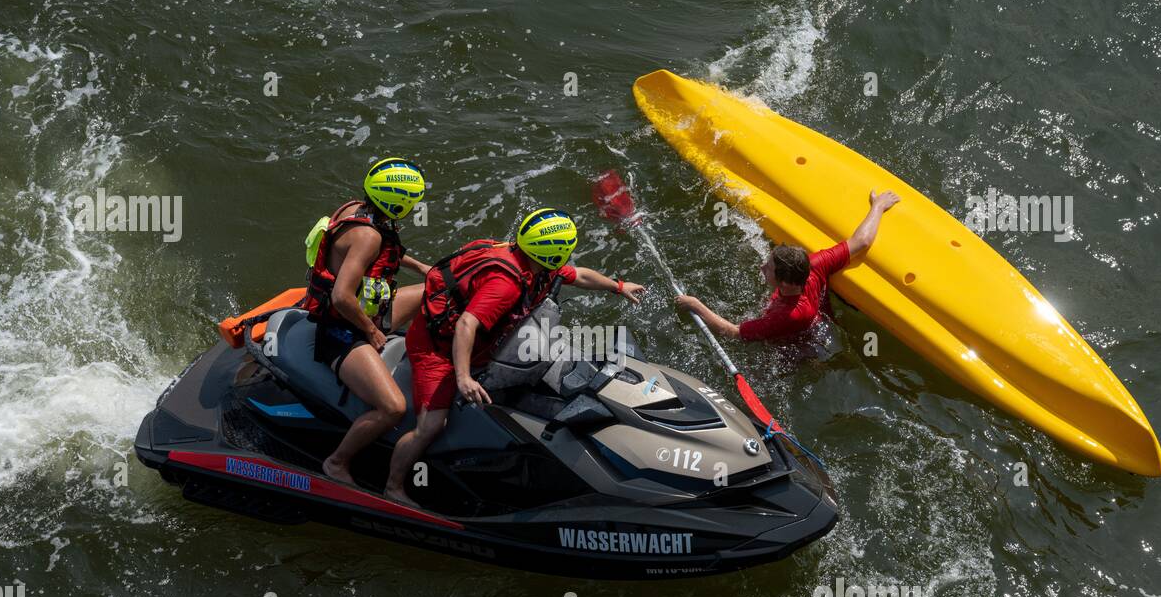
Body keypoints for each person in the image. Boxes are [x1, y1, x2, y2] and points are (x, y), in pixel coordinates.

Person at [384, 208, 646, 506]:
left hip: (482, 342)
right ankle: (393, 487)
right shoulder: (506, 285)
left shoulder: (536, 263)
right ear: (554, 252)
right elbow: (467, 325)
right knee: (430, 426)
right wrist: (463, 377)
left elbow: (580, 275)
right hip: (437, 350)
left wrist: (618, 286)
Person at [302, 157, 433, 484]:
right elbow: (342, 297)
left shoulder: (358, 209)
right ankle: (337, 463)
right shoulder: (368, 237)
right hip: (343, 331)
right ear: (399, 201)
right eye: (412, 200)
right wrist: (372, 331)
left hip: (369, 310)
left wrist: (422, 269)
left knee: (435, 289)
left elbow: (386, 250)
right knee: (393, 408)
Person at [675, 190, 901, 343]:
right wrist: (878, 206)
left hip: (800, 346)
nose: (762, 267)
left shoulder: (789, 315)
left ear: (784, 282)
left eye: (769, 267)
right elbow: (861, 242)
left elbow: (732, 332)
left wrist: (696, 305)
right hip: (815, 316)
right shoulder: (812, 265)